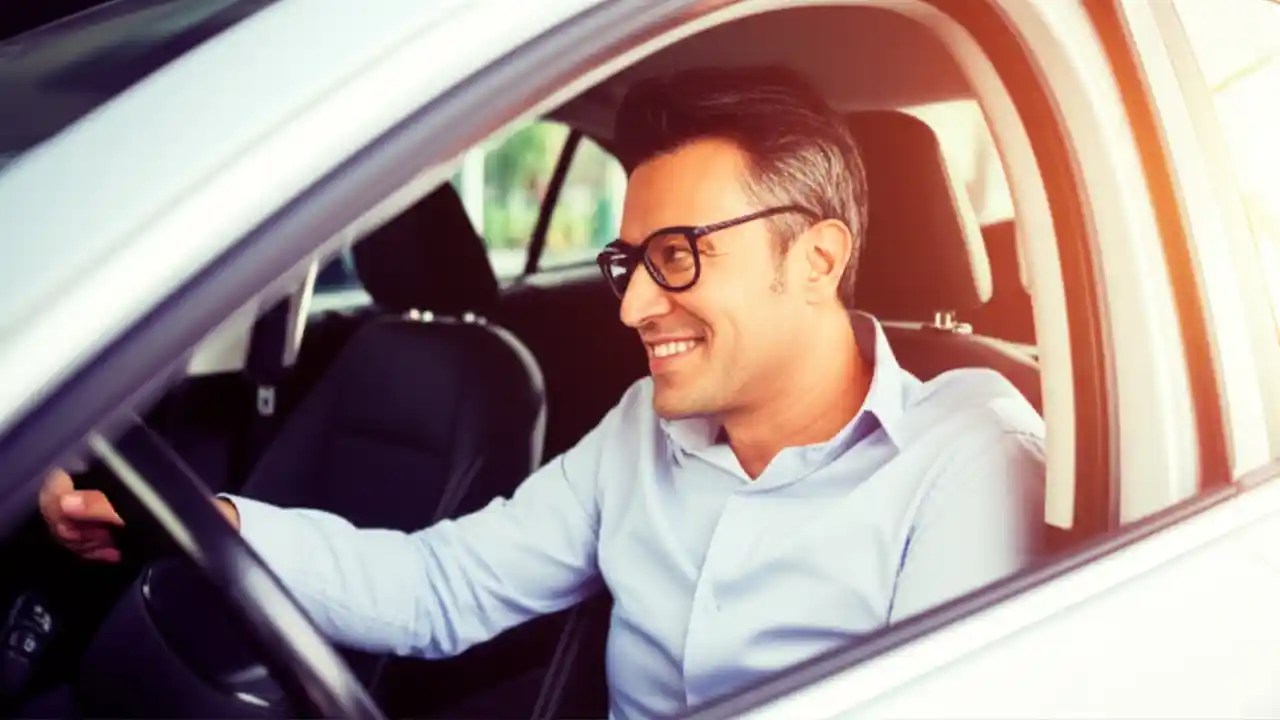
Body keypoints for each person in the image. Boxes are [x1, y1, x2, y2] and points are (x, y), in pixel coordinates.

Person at [40, 67, 1045, 718]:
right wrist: (214, 525)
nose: (633, 306)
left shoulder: (967, 455)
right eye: (628, 263)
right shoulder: (640, 432)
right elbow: (439, 588)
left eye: (677, 256)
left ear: (816, 259)